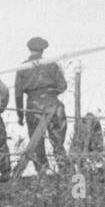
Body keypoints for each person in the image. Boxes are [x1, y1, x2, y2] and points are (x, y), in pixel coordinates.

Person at [14, 37, 68, 173]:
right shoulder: (51, 64)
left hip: (33, 106)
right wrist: (50, 93)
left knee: (36, 144)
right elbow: (63, 86)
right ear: (43, 50)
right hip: (54, 105)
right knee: (58, 143)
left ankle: (42, 175)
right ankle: (66, 173)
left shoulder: (23, 67)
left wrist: (20, 115)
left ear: (29, 49)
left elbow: (18, 94)